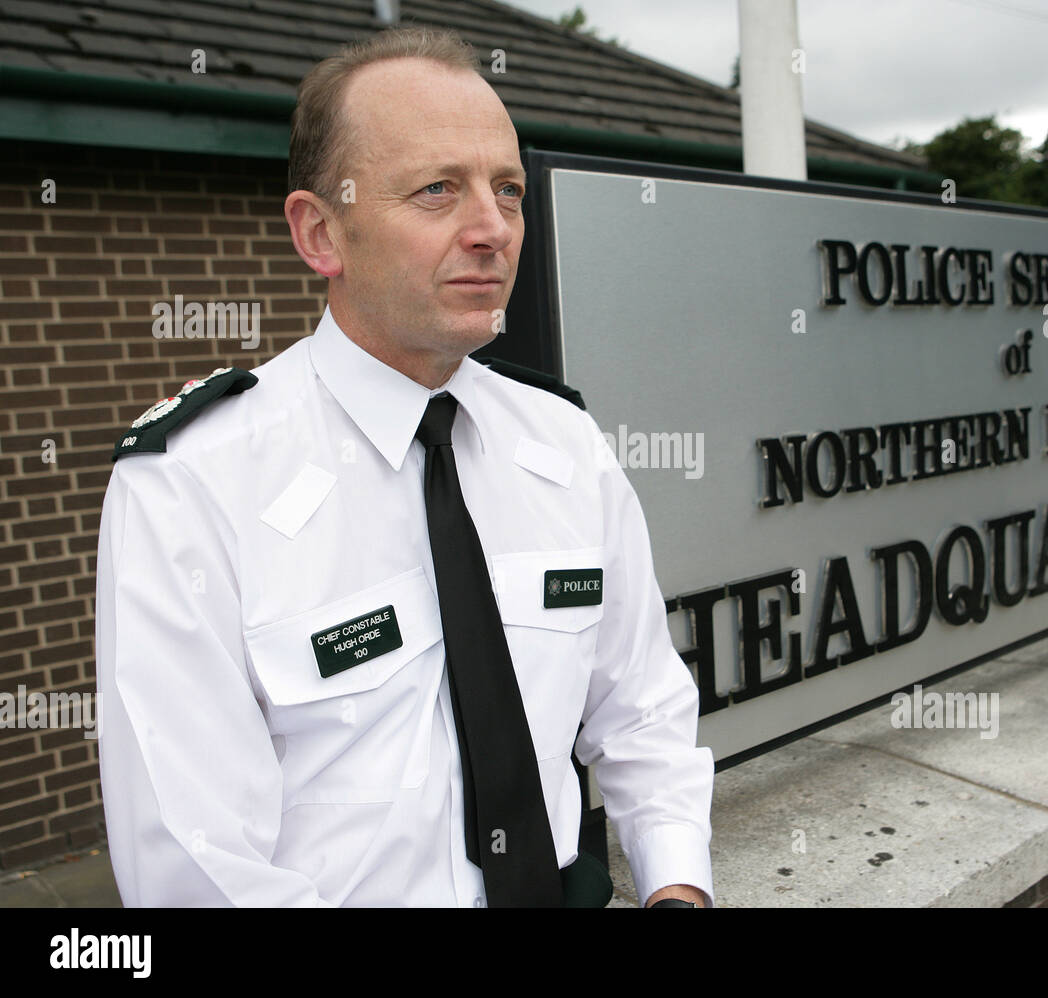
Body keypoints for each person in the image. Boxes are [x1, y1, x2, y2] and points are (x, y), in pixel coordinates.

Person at [94, 25, 714, 908]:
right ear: (320, 234)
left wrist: (677, 888)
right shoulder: (190, 484)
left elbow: (645, 709)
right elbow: (195, 865)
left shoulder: (563, 441)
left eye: (509, 190)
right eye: (437, 190)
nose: (493, 230)